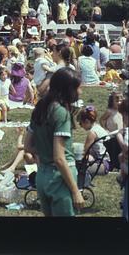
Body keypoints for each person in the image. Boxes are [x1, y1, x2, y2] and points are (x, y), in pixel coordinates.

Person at [24, 67, 85, 216]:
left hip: (42, 177)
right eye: (78, 88)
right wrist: (76, 191)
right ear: (68, 89)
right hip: (60, 179)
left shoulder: (40, 108)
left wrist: (45, 151)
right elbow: (59, 158)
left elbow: (27, 146)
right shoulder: (61, 113)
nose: (80, 92)